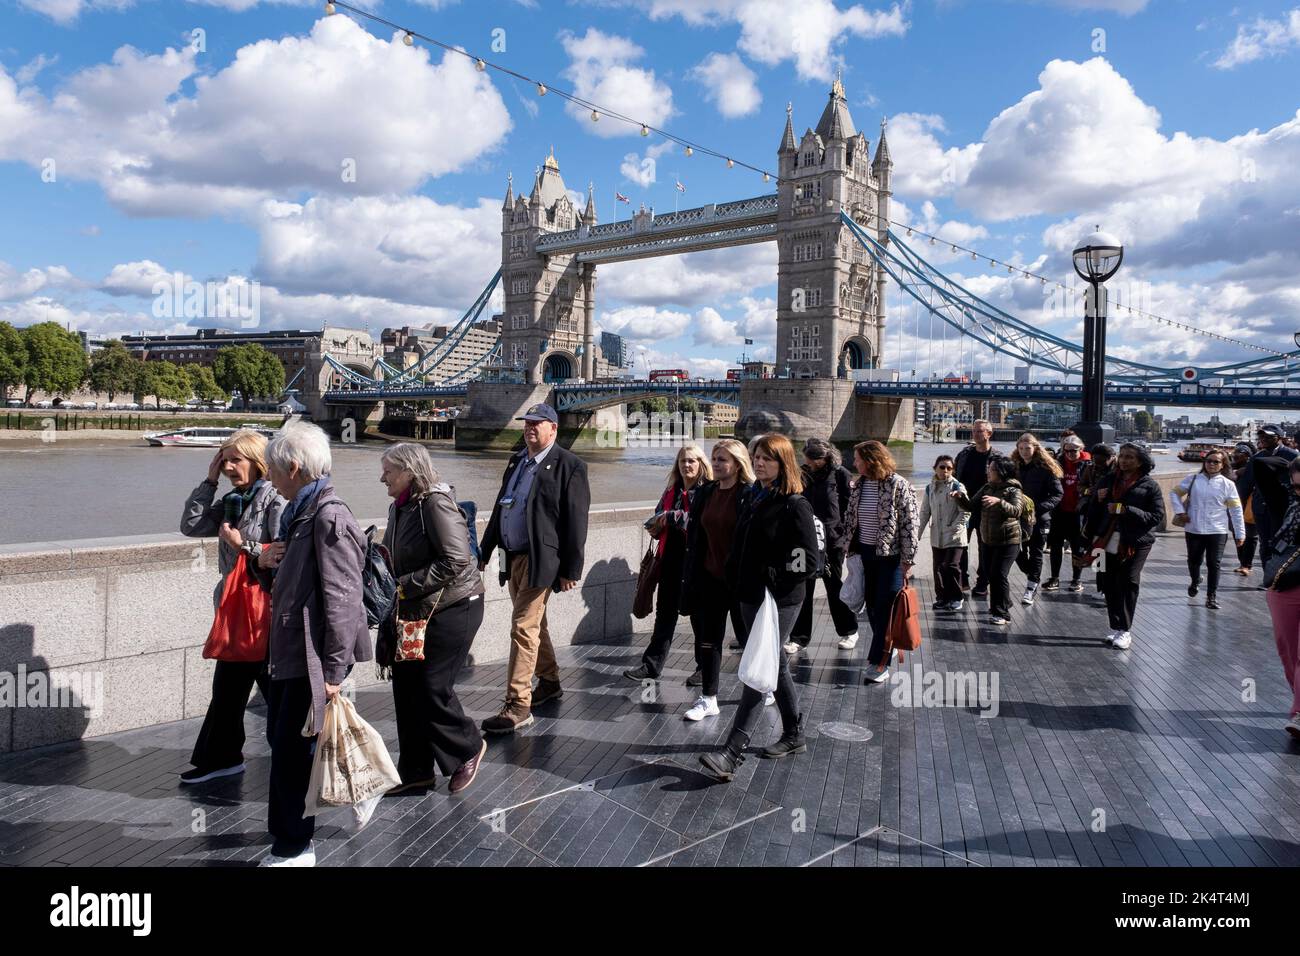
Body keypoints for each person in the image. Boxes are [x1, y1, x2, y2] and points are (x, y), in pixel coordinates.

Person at [253, 422, 372, 867]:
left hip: (312, 656)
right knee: (282, 742)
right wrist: (265, 563)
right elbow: (295, 581)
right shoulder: (300, 513)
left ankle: (296, 847)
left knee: (292, 750)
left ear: (295, 468)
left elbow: (343, 599)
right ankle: (350, 796)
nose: (269, 477)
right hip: (288, 648)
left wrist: (335, 672)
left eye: (274, 469)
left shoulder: (328, 516)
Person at [698, 434, 819, 782]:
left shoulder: (795, 505)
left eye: (767, 458)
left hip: (779, 599)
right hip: (750, 595)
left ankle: (731, 753)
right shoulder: (753, 496)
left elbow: (809, 560)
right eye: (756, 456)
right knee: (775, 663)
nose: (759, 462)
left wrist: (774, 574)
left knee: (758, 667)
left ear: (784, 463)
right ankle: (794, 734)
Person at [377, 443, 487, 796]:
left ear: (409, 472)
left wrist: (406, 585)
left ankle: (468, 747)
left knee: (430, 686)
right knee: (406, 686)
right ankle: (415, 772)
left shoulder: (434, 503)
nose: (382, 478)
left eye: (388, 472)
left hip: (454, 606)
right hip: (417, 608)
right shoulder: (399, 508)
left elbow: (456, 560)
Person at [178, 429, 286, 784]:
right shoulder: (231, 501)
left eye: (235, 460)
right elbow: (191, 526)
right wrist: (208, 481)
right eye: (224, 460)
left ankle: (305, 749)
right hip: (236, 607)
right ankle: (223, 757)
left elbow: (282, 554)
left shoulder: (275, 500)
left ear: (257, 463)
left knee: (269, 690)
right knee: (231, 688)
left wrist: (245, 545)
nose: (228, 467)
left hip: (264, 609)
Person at [479, 403, 590, 735]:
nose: (529, 428)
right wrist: (484, 551)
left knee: (522, 627)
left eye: (537, 423)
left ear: (553, 429)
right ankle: (551, 680)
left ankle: (517, 705)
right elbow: (501, 508)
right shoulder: (517, 460)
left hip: (541, 559)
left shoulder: (570, 466)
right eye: (526, 423)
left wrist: (571, 568)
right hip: (511, 556)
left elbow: (576, 522)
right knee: (534, 624)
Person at [678, 439, 755, 721]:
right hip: (710, 578)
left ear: (737, 463)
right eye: (714, 458)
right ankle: (709, 698)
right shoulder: (707, 492)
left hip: (740, 582)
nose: (717, 463)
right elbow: (696, 535)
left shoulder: (749, 494)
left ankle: (763, 686)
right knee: (709, 641)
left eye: (723, 459)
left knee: (748, 639)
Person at [624, 445, 712, 682]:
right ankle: (650, 666)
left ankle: (704, 668)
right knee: (665, 615)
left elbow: (700, 523)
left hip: (696, 563)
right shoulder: (671, 490)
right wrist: (655, 524)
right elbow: (658, 514)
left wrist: (672, 517)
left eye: (692, 461)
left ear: (701, 465)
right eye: (683, 461)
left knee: (698, 618)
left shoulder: (709, 491)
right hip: (670, 560)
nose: (686, 465)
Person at [847, 440, 920, 683]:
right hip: (866, 554)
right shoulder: (860, 484)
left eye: (857, 458)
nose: (854, 463)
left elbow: (910, 524)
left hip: (891, 558)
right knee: (873, 608)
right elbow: (851, 519)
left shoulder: (898, 484)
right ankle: (887, 644)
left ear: (870, 460)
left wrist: (908, 560)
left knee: (886, 609)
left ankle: (879, 662)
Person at [1084, 443, 1165, 651]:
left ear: (1140, 461)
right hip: (1108, 538)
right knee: (1108, 582)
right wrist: (1097, 498)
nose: (1124, 460)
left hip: (1136, 541)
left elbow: (1156, 517)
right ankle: (1116, 626)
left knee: (1128, 581)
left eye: (1130, 457)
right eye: (1122, 456)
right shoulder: (1109, 480)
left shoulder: (1149, 485)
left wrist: (1126, 509)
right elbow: (1093, 510)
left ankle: (1126, 630)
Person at [787, 437, 860, 653]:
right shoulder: (802, 473)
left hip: (831, 542)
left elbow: (850, 509)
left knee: (834, 586)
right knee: (803, 587)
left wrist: (846, 539)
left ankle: (849, 630)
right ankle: (799, 637)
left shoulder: (840, 474)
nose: (806, 461)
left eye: (810, 458)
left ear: (823, 458)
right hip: (804, 540)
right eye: (805, 457)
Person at [1168, 449, 1245, 611]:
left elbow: (1236, 511)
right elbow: (1174, 493)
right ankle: (1195, 580)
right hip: (1194, 529)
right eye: (1209, 461)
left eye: (1216, 462)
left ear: (1222, 464)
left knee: (1214, 563)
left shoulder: (1228, 485)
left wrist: (1240, 533)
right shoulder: (1193, 480)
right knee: (1194, 561)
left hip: (1217, 530)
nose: (1211, 464)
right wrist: (1180, 511)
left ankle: (1211, 596)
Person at [953, 458, 1023, 626]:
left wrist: (1000, 502)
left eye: (991, 469)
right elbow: (970, 506)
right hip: (988, 540)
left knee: (999, 574)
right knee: (991, 574)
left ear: (1001, 472)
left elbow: (1017, 511)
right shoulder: (987, 487)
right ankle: (1004, 603)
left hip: (1008, 541)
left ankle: (1002, 613)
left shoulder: (1013, 490)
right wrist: (960, 497)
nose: (987, 471)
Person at [1264, 458, 1300, 737]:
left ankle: (1299, 712)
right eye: (1298, 487)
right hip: (1285, 583)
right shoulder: (1287, 503)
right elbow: (1263, 465)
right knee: (1287, 650)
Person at [1011, 433, 1063, 606]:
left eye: (1028, 448)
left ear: (1035, 448)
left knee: (1036, 553)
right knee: (1017, 552)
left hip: (1039, 518)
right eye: (1021, 448)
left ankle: (1031, 587)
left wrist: (1036, 509)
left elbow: (1057, 494)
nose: (1024, 451)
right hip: (1017, 518)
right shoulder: (1014, 468)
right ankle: (1033, 574)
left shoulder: (1046, 469)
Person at [954, 420, 1000, 596]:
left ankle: (982, 582)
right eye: (974, 431)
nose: (976, 434)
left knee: (985, 547)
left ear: (989, 433)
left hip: (986, 509)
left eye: (980, 431)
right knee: (961, 544)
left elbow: (1003, 483)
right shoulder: (965, 453)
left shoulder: (997, 457)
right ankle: (962, 580)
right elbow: (955, 476)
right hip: (965, 507)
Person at [919, 453, 968, 610]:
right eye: (942, 467)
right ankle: (942, 598)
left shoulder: (958, 487)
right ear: (935, 468)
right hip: (937, 536)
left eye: (949, 468)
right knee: (938, 568)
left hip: (955, 536)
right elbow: (925, 513)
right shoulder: (929, 488)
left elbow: (966, 511)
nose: (945, 470)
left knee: (951, 566)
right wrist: (917, 535)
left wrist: (955, 527)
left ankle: (956, 597)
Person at [1044, 435, 1090, 593]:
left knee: (1078, 548)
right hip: (1059, 511)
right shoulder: (1058, 463)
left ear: (1081, 449)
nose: (1070, 453)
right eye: (1067, 450)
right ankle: (1054, 578)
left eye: (1074, 451)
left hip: (1078, 513)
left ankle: (1077, 580)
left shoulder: (1088, 465)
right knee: (1056, 546)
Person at [1253, 425, 1299, 562]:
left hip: (1284, 508)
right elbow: (1247, 484)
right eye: (1261, 437)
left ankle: (1280, 575)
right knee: (1265, 543)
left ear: (1278, 438)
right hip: (1261, 509)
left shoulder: (1293, 455)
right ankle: (1268, 578)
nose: (1263, 439)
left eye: (1268, 437)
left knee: (1282, 543)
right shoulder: (1258, 457)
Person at [1232, 442, 1259, 575]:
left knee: (1251, 535)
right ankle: (1242, 562)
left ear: (1247, 456)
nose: (1235, 456)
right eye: (1234, 454)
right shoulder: (1230, 469)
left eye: (1239, 454)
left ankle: (1247, 564)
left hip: (1249, 505)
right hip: (1233, 506)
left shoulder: (1253, 468)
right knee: (1237, 533)